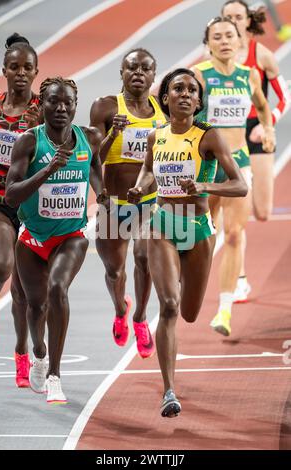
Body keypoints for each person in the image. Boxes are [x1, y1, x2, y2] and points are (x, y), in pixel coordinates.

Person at [127, 68, 248, 417]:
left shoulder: (209, 137)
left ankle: (180, 286)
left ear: (198, 101)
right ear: (165, 97)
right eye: (177, 88)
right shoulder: (156, 136)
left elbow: (240, 186)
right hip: (163, 225)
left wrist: (205, 187)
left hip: (198, 230)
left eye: (191, 90)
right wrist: (140, 187)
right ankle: (168, 391)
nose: (184, 94)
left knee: (191, 313)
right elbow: (149, 171)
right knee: (169, 305)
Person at [6, 76, 107, 404]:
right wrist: (47, 170)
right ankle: (38, 352)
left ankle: (55, 376)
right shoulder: (29, 143)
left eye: (67, 103)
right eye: (53, 101)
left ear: (76, 105)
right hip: (33, 239)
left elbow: (93, 168)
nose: (61, 108)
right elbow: (10, 195)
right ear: (42, 104)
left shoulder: (88, 138)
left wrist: (102, 192)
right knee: (36, 306)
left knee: (57, 288)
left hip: (71, 236)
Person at [192, 17, 275, 336]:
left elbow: (263, 107)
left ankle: (224, 309)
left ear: (240, 41)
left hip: (238, 163)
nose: (225, 41)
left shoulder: (249, 74)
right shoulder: (199, 74)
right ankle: (190, 287)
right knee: (204, 234)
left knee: (236, 235)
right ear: (208, 43)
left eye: (230, 36)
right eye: (218, 36)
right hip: (207, 164)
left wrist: (266, 130)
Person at [90, 49, 166, 359]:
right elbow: (93, 160)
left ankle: (140, 318)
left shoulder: (163, 112)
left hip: (149, 200)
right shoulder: (106, 107)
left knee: (144, 257)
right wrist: (113, 134)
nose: (138, 73)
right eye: (131, 67)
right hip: (113, 202)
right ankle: (121, 310)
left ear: (153, 75)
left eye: (145, 69)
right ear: (121, 72)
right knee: (114, 271)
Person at [221, 0, 290, 302]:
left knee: (261, 211)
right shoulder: (216, 56)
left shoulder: (262, 56)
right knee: (237, 218)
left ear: (249, 21)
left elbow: (283, 100)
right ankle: (240, 278)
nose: (233, 22)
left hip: (255, 133)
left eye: (238, 17)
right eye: (227, 18)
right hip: (227, 139)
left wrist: (267, 123)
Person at [0, 33, 40, 387]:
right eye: (14, 67)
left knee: (27, 295)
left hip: (34, 209)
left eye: (27, 68)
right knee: (0, 264)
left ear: (36, 72)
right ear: (4, 70)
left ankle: (23, 353)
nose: (20, 73)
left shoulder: (44, 110)